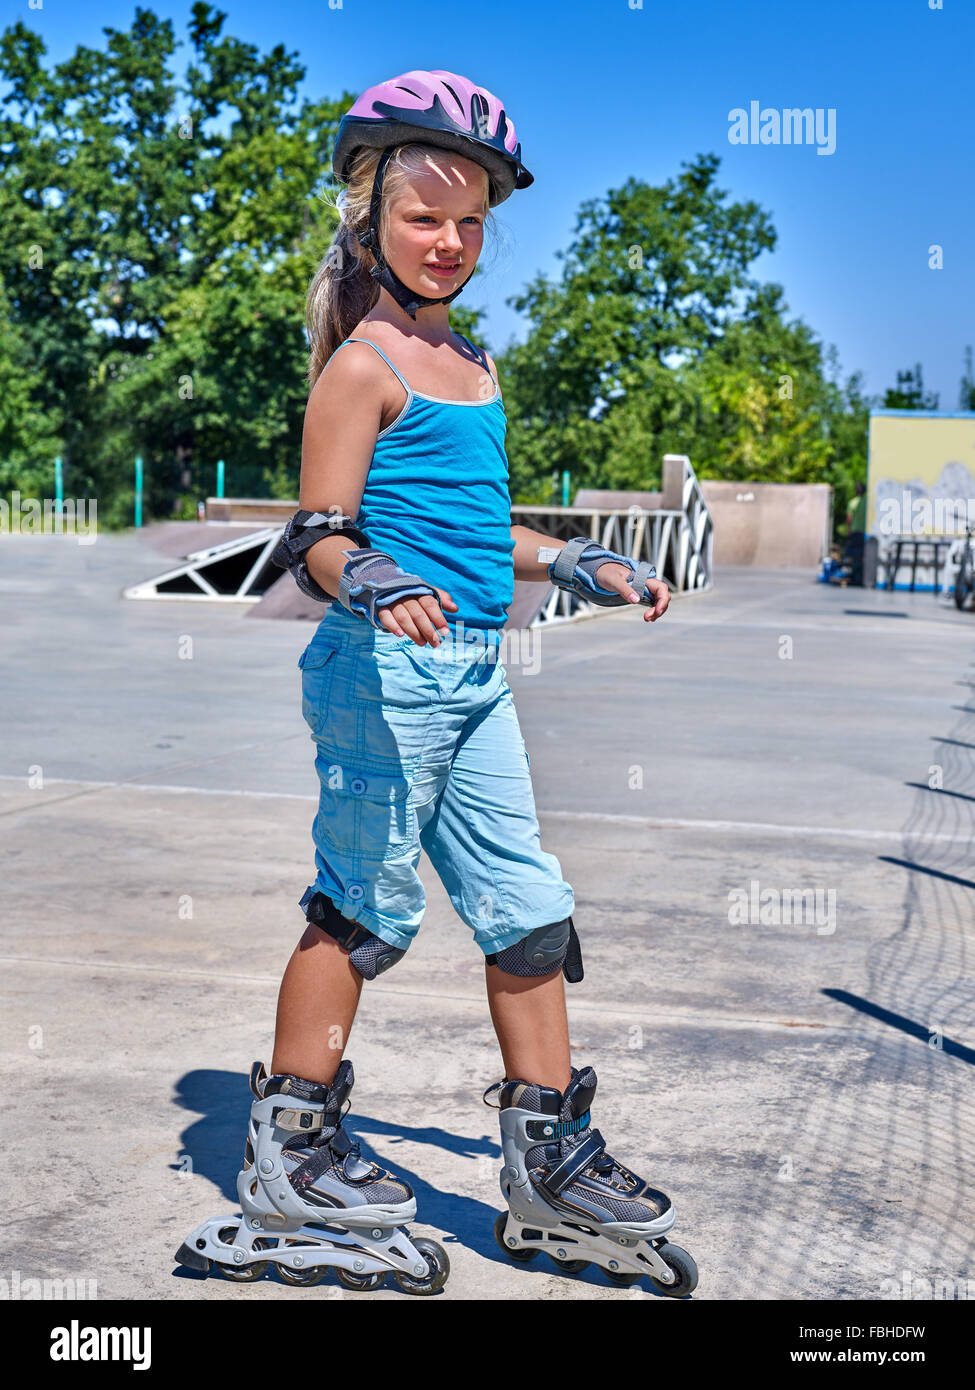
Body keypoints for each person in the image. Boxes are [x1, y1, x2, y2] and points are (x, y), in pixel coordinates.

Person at [177, 69, 697, 1297]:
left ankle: (550, 1156)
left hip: (473, 670)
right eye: (425, 218)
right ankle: (290, 1152)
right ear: (371, 217)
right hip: (379, 669)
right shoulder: (362, 365)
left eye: (470, 221)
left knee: (530, 911)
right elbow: (314, 533)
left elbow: (475, 529)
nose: (451, 241)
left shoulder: (472, 357)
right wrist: (368, 580)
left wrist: (569, 559)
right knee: (364, 911)